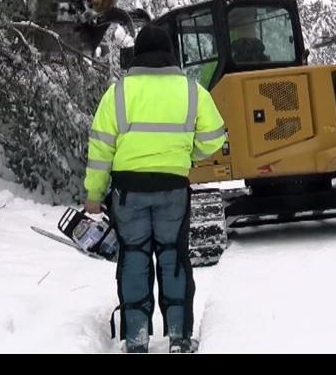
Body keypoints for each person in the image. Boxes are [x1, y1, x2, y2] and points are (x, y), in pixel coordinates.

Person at [84, 24, 228, 353]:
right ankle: (179, 336)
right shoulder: (191, 90)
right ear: (169, 53)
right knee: (173, 256)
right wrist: (186, 155)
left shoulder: (118, 93)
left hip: (128, 191)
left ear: (137, 55)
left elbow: (100, 149)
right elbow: (214, 137)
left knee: (134, 258)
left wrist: (94, 194)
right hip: (172, 188)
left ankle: (136, 339)